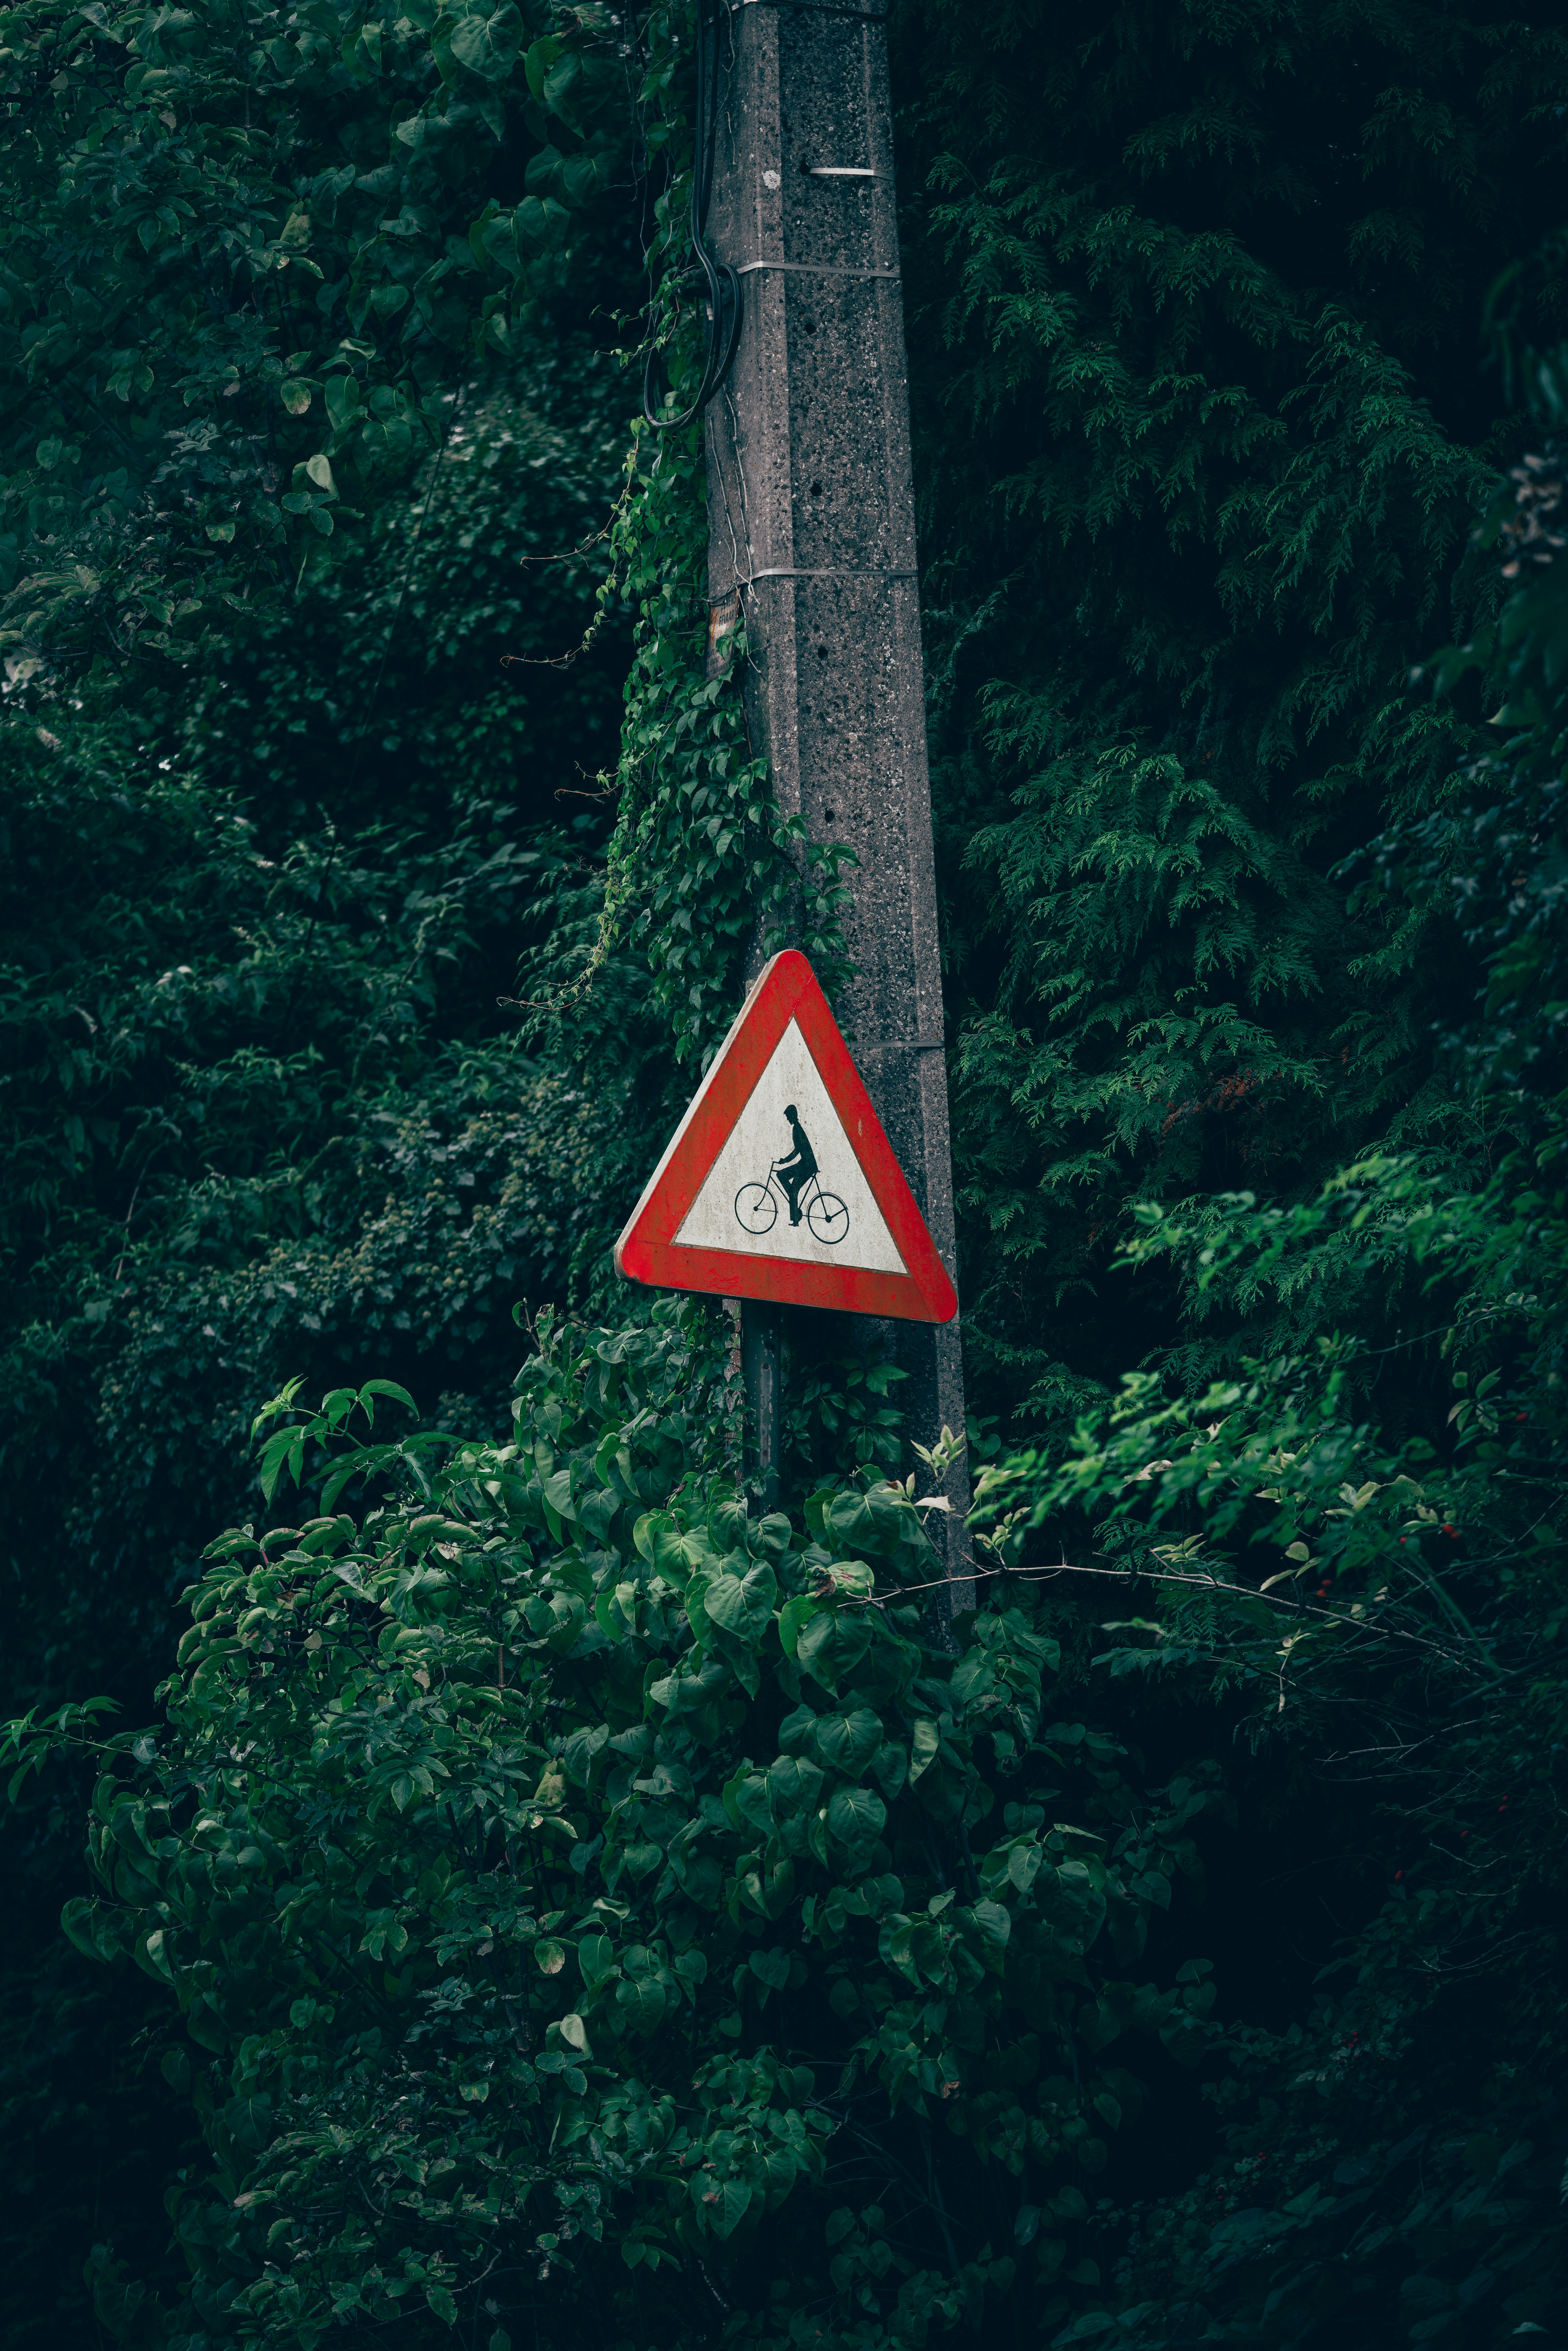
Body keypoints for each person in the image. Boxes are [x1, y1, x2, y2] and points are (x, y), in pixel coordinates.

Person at [773, 1104, 818, 1225]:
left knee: (794, 1192)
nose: (788, 1119)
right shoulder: (797, 1128)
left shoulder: (797, 1129)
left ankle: (796, 1220)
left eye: (788, 1116)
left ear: (793, 1116)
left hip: (808, 1166)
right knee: (781, 1175)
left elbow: (797, 1151)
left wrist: (785, 1161)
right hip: (804, 1164)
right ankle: (794, 1202)